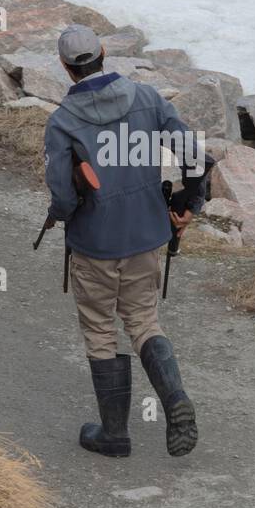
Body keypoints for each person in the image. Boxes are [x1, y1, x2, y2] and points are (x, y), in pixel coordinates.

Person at [42, 24, 214, 458]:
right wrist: (188, 202)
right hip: (146, 237)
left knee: (101, 331)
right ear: (104, 53)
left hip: (95, 244)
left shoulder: (63, 121)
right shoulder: (148, 98)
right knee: (143, 321)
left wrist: (64, 214)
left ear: (66, 68)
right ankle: (175, 399)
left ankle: (115, 436)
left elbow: (63, 196)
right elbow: (196, 156)